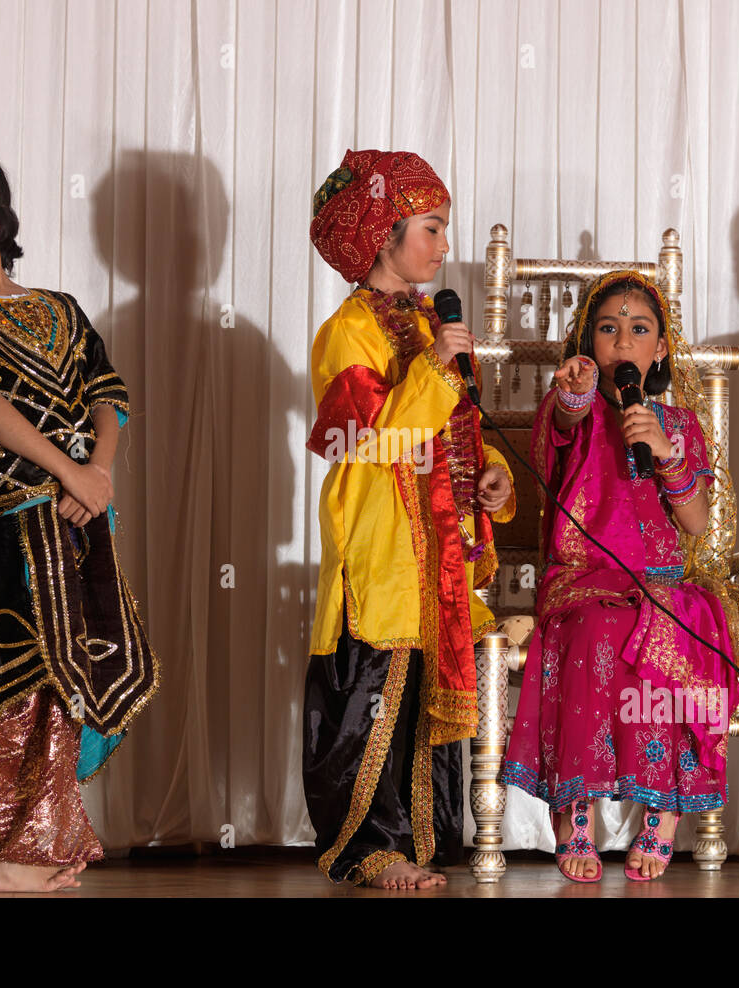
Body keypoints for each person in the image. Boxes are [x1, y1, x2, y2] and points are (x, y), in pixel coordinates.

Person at [0, 101, 159, 892]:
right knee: (6, 675)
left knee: (64, 681)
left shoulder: (62, 310)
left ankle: (36, 848)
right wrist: (68, 470)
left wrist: (98, 472)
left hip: (76, 521)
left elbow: (106, 394)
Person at [303, 149, 515, 889]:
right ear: (384, 233)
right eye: (431, 227)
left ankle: (420, 841)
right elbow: (355, 438)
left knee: (423, 692)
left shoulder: (430, 325)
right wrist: (431, 373)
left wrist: (493, 474)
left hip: (442, 545)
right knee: (371, 693)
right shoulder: (349, 331)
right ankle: (367, 849)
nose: (444, 245)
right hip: (385, 541)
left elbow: (465, 429)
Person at [500, 270, 739, 882]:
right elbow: (561, 423)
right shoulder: (571, 407)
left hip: (660, 582)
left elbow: (693, 522)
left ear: (660, 348)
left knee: (679, 634)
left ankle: (663, 814)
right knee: (594, 633)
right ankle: (573, 813)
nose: (624, 342)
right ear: (589, 341)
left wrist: (666, 453)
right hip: (584, 580)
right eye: (608, 330)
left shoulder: (680, 425)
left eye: (639, 331)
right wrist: (576, 392)